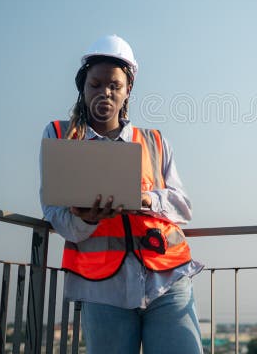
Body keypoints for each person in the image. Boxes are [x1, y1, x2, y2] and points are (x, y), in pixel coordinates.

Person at [40, 34, 203, 354]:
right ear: (82, 88)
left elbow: (183, 207)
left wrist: (147, 199)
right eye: (95, 84)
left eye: (114, 85)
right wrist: (85, 220)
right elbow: (55, 214)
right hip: (103, 289)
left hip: (167, 282)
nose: (105, 92)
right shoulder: (60, 136)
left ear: (128, 90)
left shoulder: (155, 140)